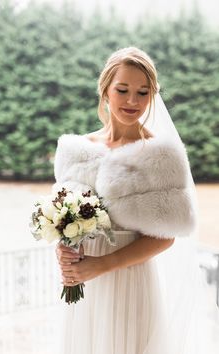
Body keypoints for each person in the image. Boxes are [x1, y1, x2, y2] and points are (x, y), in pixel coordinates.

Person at [54, 47, 219, 354]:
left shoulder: (162, 155)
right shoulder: (75, 151)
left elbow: (165, 237)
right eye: (123, 90)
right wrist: (64, 249)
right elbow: (62, 218)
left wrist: (102, 265)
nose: (133, 101)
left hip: (127, 281)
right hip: (83, 284)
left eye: (143, 92)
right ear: (105, 89)